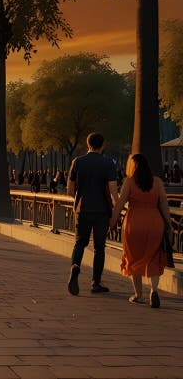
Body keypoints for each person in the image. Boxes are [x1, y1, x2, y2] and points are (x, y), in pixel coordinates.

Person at [110, 154, 173, 308]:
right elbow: (164, 205)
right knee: (154, 257)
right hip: (154, 222)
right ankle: (154, 291)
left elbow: (119, 203)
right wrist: (169, 224)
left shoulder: (130, 182)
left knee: (133, 257)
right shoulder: (157, 182)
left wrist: (112, 222)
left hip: (134, 223)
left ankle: (139, 295)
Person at [67, 132, 117, 296]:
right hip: (101, 211)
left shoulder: (77, 162)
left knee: (79, 243)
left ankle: (75, 265)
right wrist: (117, 208)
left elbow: (70, 189)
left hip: (83, 209)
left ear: (88, 145)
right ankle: (96, 282)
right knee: (99, 247)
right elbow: (113, 191)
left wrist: (78, 199)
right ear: (102, 145)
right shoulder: (108, 163)